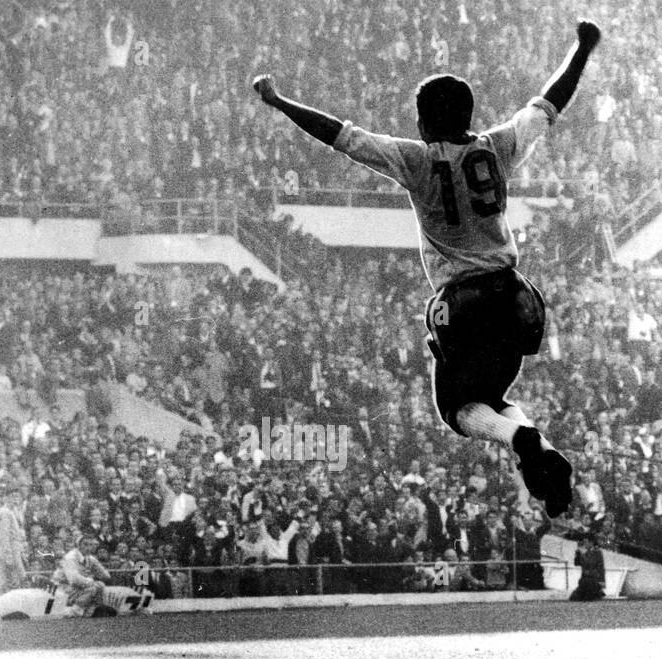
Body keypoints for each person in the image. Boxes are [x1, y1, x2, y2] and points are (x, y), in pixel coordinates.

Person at [252, 19, 603, 520]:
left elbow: (341, 136)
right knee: (492, 396)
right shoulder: (498, 146)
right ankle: (536, 449)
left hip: (463, 301)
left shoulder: (417, 159)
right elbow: (549, 102)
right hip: (516, 297)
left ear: (423, 123)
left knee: (456, 410)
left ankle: (523, 437)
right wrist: (582, 48)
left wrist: (282, 102)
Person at [570, 535, 605, 601]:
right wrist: (577, 554)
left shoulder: (597, 552)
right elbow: (577, 563)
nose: (584, 544)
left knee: (588, 598)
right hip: (584, 579)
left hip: (593, 579)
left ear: (591, 543)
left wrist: (602, 582)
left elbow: (590, 563)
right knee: (573, 598)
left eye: (586, 542)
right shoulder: (586, 552)